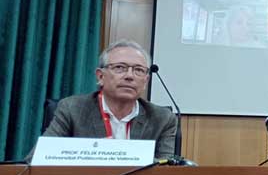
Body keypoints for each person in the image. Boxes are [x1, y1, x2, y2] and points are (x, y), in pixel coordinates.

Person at [40, 40, 177, 159]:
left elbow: (167, 172)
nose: (129, 76)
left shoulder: (162, 119)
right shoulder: (72, 109)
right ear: (100, 76)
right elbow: (39, 159)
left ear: (146, 81)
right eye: (120, 68)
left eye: (139, 70)